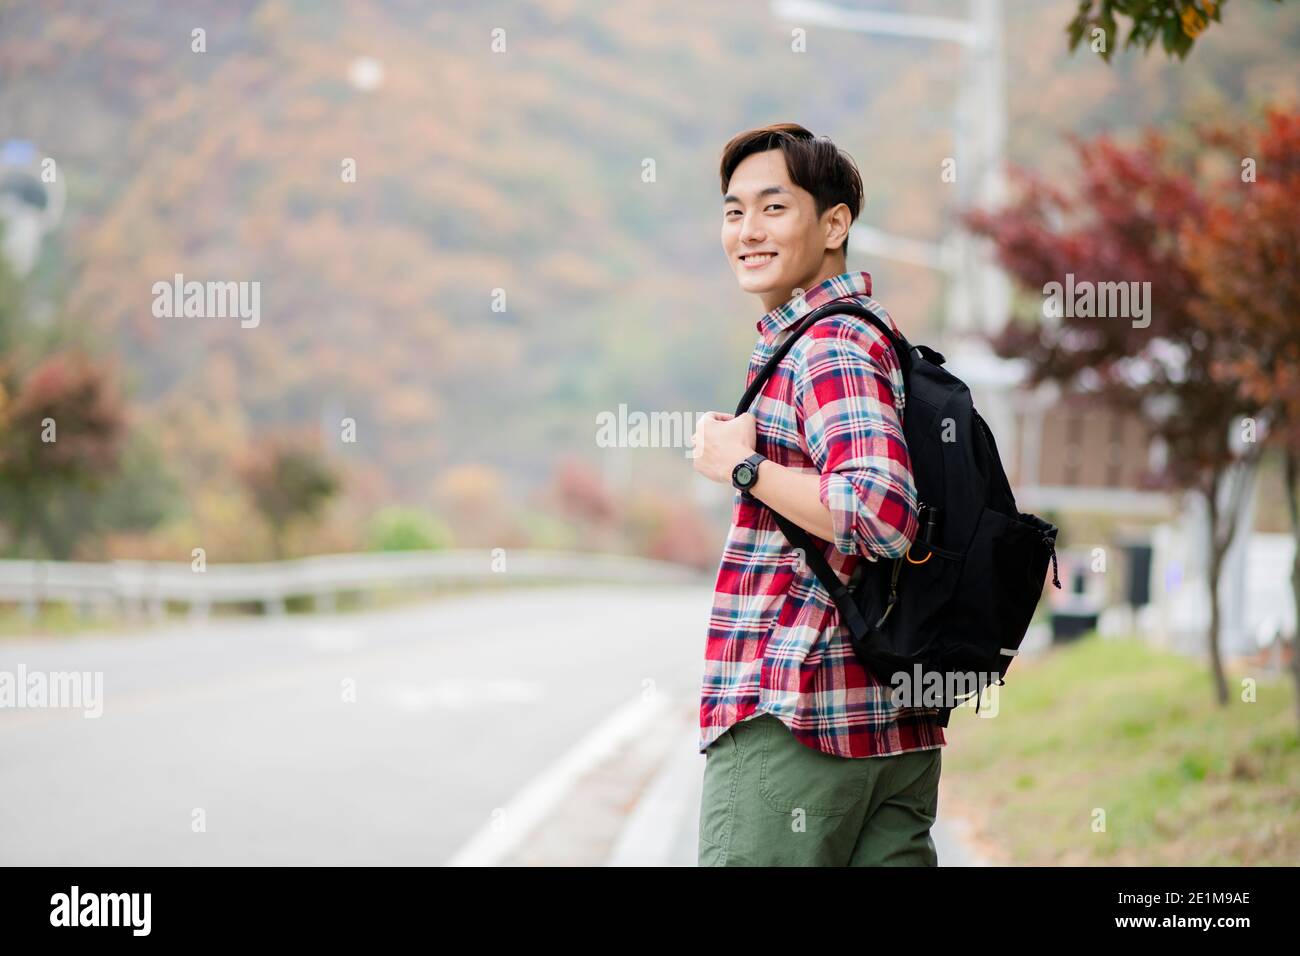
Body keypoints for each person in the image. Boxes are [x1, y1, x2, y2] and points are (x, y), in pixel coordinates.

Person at [690, 123, 946, 866]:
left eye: (774, 208)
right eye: (734, 212)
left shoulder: (826, 345)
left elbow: (879, 512)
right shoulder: (871, 336)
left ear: (834, 224)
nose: (747, 231)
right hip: (892, 730)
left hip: (798, 725)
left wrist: (742, 470)